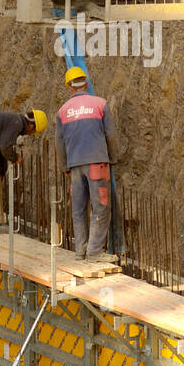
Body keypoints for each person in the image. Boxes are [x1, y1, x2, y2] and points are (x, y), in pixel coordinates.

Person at [55, 67, 118, 261]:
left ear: (70, 88)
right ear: (86, 84)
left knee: (78, 208)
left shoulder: (63, 111)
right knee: (100, 207)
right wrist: (113, 158)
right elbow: (111, 135)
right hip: (96, 164)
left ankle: (80, 251)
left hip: (75, 166)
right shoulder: (100, 104)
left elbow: (59, 143)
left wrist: (64, 166)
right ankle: (95, 252)